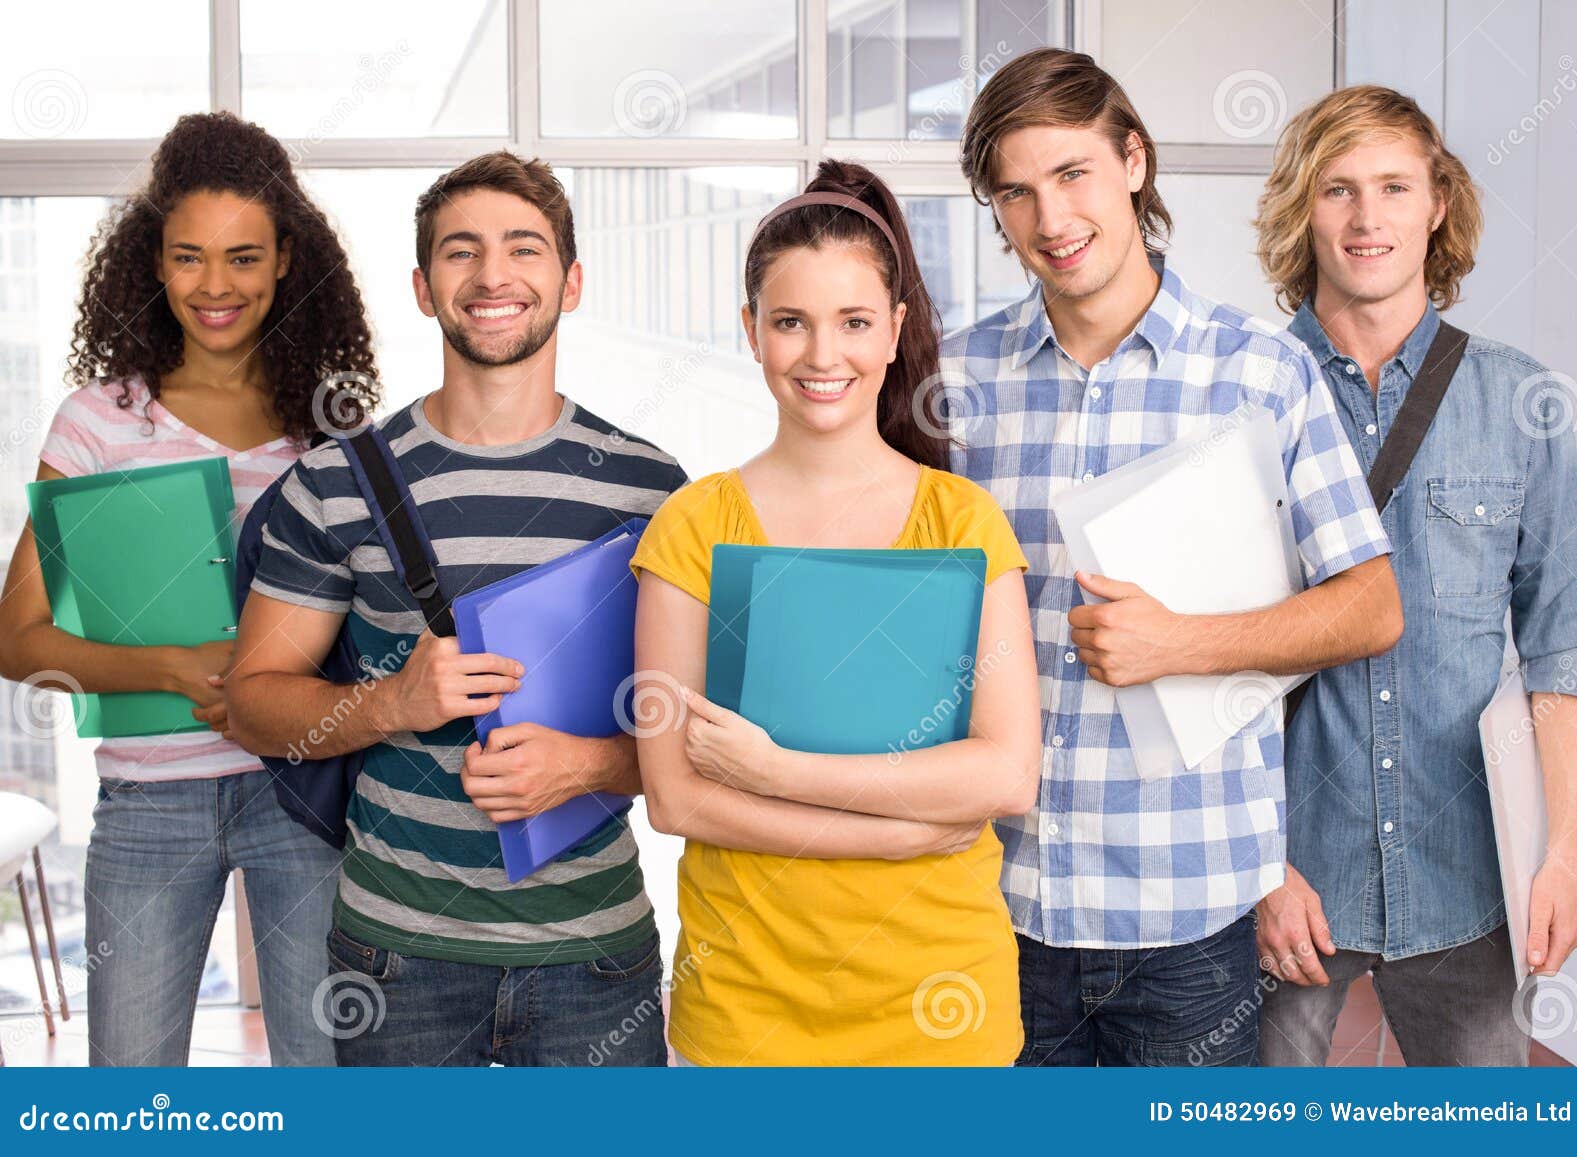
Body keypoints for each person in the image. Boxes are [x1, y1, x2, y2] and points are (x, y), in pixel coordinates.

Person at [941, 49, 1404, 1066]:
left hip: (1188, 920)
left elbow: (1369, 605)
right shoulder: (957, 380)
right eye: (1015, 193)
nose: (1050, 220)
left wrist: (1182, 642)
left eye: (1072, 175)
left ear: (1133, 163)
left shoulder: (1260, 371)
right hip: (993, 905)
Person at [225, 152, 686, 1067]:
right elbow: (251, 703)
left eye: (525, 248)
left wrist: (592, 762)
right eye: (460, 252)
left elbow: (697, 730)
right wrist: (393, 701)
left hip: (595, 956)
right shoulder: (334, 483)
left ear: (572, 280)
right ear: (424, 287)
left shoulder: (650, 490)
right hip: (398, 960)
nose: (493, 275)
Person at [629, 159, 1042, 1067]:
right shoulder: (694, 526)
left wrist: (775, 770)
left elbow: (1006, 775)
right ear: (751, 332)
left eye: (854, 322)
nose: (824, 355)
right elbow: (675, 796)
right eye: (791, 323)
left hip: (942, 1005)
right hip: (744, 1012)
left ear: (895, 331)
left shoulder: (961, 520)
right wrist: (903, 832)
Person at [0, 111, 380, 1066]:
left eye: (244, 257)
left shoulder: (329, 428)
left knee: (323, 1077)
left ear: (287, 259)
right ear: (152, 260)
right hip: (150, 802)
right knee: (129, 1086)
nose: (216, 286)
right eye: (189, 257)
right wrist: (171, 667)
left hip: (304, 790)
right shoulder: (97, 420)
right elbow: (17, 638)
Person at [1254, 85, 1577, 1066]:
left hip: (1467, 879)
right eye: (1338, 190)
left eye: (1394, 187)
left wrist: (1566, 849)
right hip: (1289, 882)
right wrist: (1254, 867)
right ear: (1301, 209)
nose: (1368, 219)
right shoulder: (1239, 400)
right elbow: (1196, 659)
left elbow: (1566, 637)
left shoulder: (1520, 399)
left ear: (1436, 203)